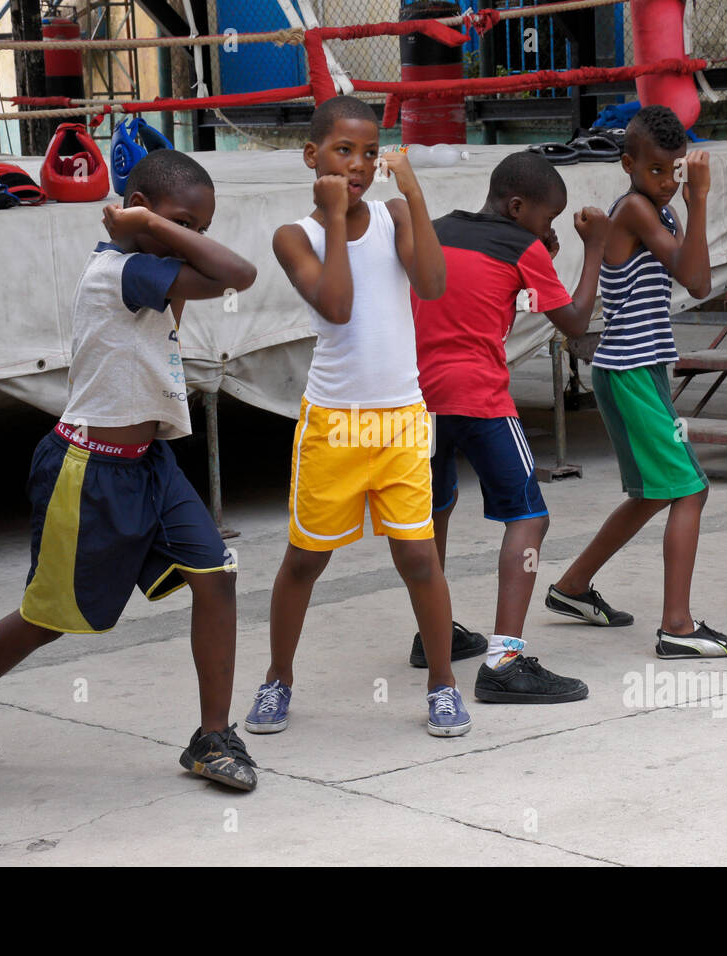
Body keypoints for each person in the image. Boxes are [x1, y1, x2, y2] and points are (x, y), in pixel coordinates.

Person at [0, 150, 262, 790]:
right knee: (45, 620)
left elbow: (224, 273)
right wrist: (154, 228)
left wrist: (163, 228)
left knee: (216, 576)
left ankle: (212, 737)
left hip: (150, 464)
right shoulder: (121, 270)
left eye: (200, 228)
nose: (190, 237)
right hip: (88, 471)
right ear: (136, 209)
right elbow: (239, 274)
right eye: (180, 222)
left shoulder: (154, 269)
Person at [243, 95, 470, 737]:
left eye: (371, 153)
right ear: (310, 156)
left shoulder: (395, 215)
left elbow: (432, 285)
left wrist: (414, 195)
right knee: (305, 560)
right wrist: (339, 219)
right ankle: (277, 678)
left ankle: (444, 684)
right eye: (343, 150)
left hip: (400, 419)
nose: (360, 164)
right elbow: (337, 306)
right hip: (334, 423)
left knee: (419, 559)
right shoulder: (295, 236)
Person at [547, 105, 727, 659]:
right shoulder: (637, 208)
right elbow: (697, 280)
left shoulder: (663, 212)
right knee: (691, 490)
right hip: (630, 370)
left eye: (674, 171)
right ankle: (677, 627)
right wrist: (699, 202)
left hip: (642, 369)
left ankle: (571, 587)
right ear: (628, 164)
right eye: (656, 170)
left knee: (654, 494)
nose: (666, 181)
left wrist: (689, 208)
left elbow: (696, 278)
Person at [413, 149, 615, 704]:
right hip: (479, 396)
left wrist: (538, 253)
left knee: (433, 510)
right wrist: (594, 248)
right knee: (529, 518)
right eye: (548, 219)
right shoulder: (522, 246)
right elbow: (575, 322)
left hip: (418, 398)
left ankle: (432, 634)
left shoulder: (435, 230)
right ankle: (504, 663)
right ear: (518, 206)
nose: (549, 230)